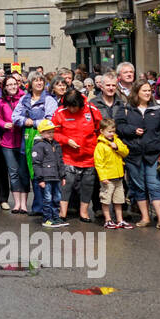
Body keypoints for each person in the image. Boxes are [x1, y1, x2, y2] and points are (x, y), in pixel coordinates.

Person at [118, 80, 160, 230]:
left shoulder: (158, 109)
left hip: (153, 155)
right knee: (139, 187)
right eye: (144, 90)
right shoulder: (125, 108)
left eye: (149, 90)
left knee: (155, 186)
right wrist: (132, 130)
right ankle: (145, 217)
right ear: (136, 92)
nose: (147, 93)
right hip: (133, 155)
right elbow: (119, 127)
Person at [53, 88, 102, 224]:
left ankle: (84, 212)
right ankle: (62, 212)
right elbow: (54, 133)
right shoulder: (60, 112)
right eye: (68, 106)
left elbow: (99, 130)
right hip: (68, 157)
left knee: (87, 185)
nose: (71, 109)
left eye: (73, 106)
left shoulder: (91, 110)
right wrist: (66, 140)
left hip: (89, 157)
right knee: (66, 185)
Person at [13, 71, 58, 216]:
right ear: (30, 84)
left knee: (41, 173)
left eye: (41, 80)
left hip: (42, 142)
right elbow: (15, 116)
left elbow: (50, 119)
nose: (39, 83)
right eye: (36, 80)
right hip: (25, 141)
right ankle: (33, 205)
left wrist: (33, 122)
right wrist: (24, 121)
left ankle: (42, 207)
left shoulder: (49, 100)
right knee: (26, 173)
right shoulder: (24, 99)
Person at [0, 73, 29, 214]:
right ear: (4, 87)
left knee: (24, 172)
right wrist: (4, 124)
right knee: (13, 173)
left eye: (14, 84)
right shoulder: (1, 102)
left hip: (22, 140)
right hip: (7, 143)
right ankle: (16, 204)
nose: (12, 87)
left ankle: (24, 204)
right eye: (9, 84)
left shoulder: (25, 99)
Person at [94, 118, 131, 230]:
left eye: (113, 131)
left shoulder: (117, 140)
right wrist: (103, 177)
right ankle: (108, 220)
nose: (111, 134)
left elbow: (126, 152)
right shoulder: (100, 145)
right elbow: (98, 163)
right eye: (109, 131)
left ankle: (119, 220)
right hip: (108, 178)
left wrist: (117, 147)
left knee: (119, 199)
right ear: (102, 131)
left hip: (118, 176)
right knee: (106, 199)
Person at [31, 119, 67, 228]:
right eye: (48, 132)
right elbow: (36, 164)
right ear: (41, 133)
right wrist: (40, 179)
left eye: (52, 131)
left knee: (57, 198)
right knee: (47, 198)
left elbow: (60, 161)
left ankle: (56, 217)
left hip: (56, 177)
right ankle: (47, 219)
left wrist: (63, 176)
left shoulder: (56, 144)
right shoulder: (39, 145)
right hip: (45, 178)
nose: (51, 134)